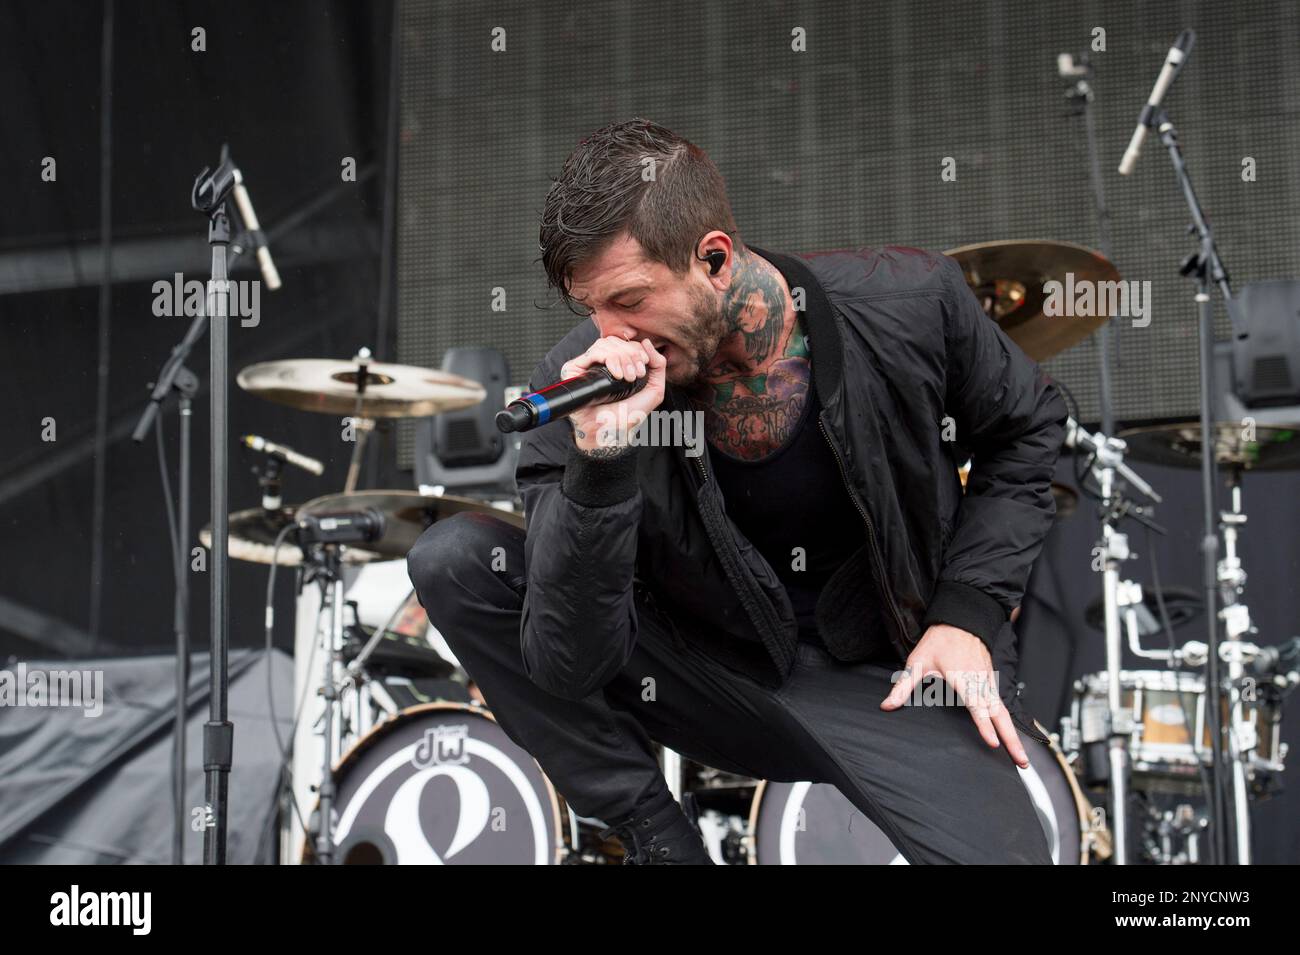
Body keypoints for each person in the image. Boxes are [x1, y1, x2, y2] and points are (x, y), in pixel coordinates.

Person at [407, 118, 1068, 864]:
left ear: (714, 258)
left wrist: (968, 613)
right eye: (591, 310)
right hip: (708, 673)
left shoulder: (910, 303)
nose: (612, 337)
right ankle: (658, 837)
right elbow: (569, 662)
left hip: (894, 676)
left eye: (629, 300)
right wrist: (602, 459)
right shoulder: (578, 389)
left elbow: (1031, 431)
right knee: (455, 557)